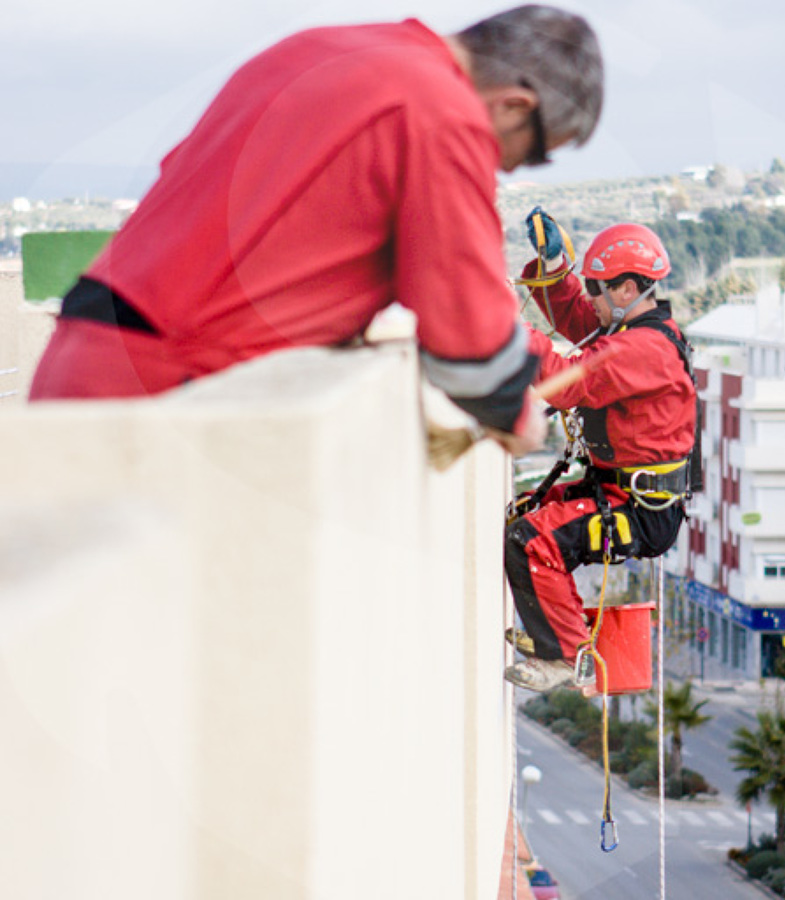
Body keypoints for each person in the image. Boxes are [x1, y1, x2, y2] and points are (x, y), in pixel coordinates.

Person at [28, 6, 604, 457]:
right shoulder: (442, 113)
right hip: (172, 385)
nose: (507, 170)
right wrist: (516, 413)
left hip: (89, 349)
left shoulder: (323, 49)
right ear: (514, 105)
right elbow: (466, 339)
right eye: (532, 156)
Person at [504, 213, 698, 692]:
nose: (590, 295)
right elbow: (577, 317)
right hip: (622, 492)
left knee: (531, 541)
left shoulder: (645, 350)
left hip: (640, 508)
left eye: (597, 286)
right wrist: (552, 265)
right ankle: (552, 631)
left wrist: (499, 327)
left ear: (627, 290)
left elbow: (565, 380)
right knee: (522, 520)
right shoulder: (633, 328)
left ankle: (566, 656)